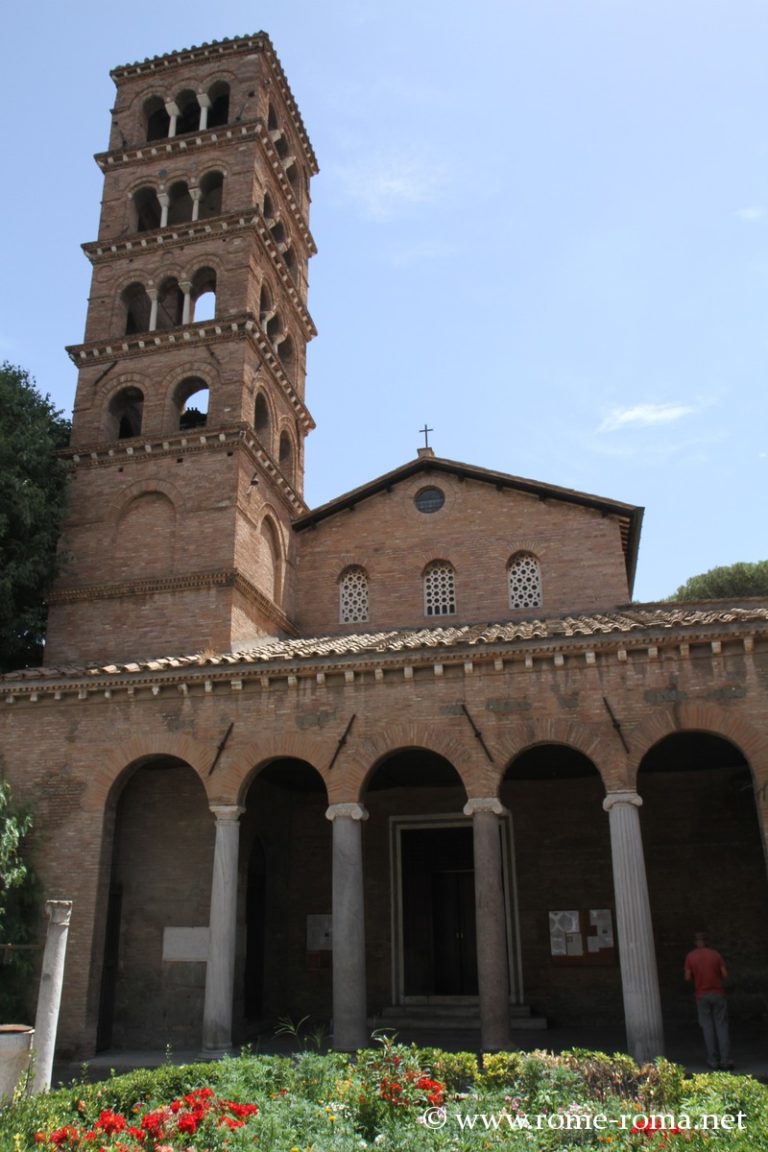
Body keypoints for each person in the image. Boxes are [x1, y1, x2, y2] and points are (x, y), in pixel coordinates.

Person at [684, 931, 733, 1070]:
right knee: (722, 1027)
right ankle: (726, 1060)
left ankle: (713, 1061)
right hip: (718, 993)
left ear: (696, 942)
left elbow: (687, 977)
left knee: (707, 1028)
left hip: (702, 995)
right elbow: (725, 974)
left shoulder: (691, 957)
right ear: (707, 941)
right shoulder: (715, 954)